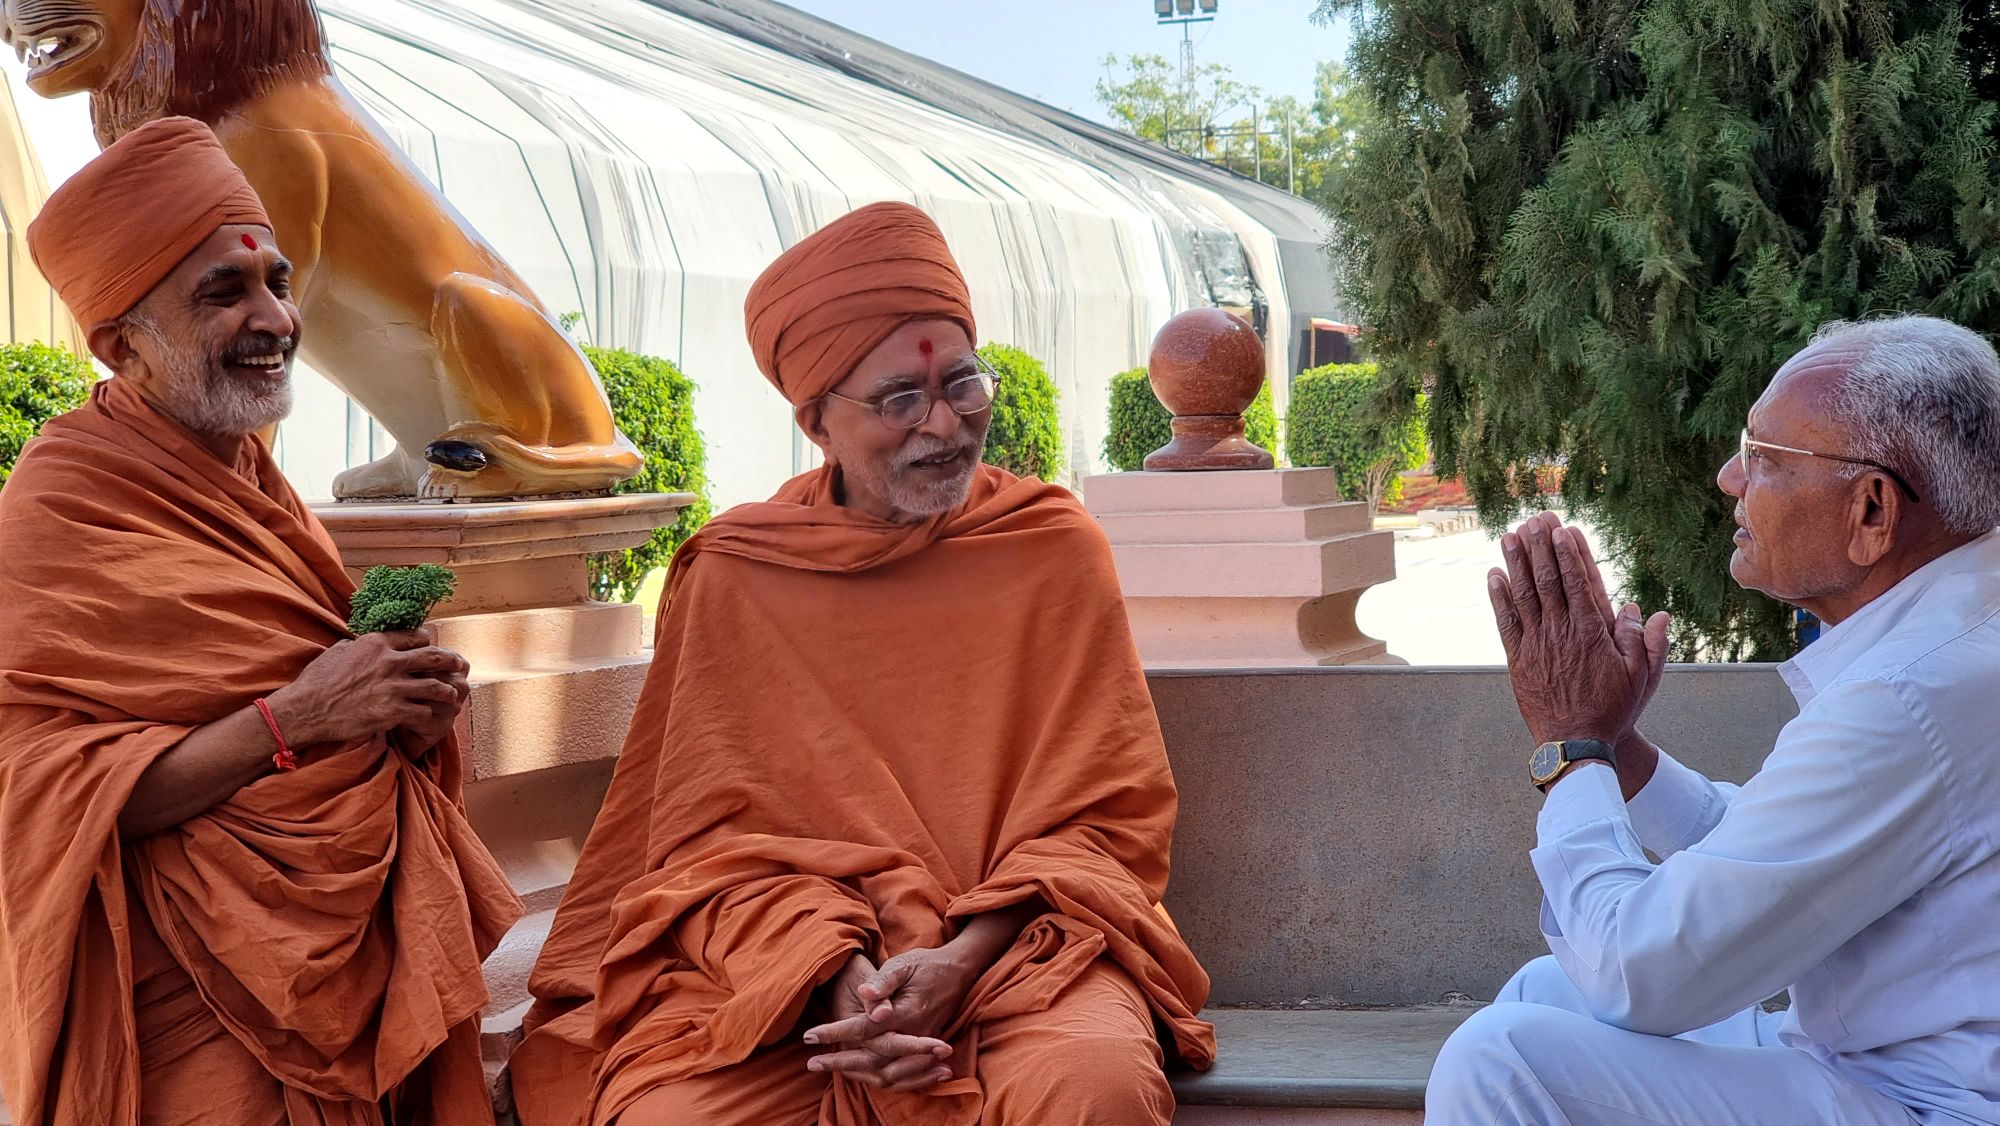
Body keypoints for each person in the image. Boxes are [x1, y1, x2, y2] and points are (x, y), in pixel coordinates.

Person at [508, 201, 1213, 1126]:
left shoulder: (1050, 548)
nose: (945, 426)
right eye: (898, 400)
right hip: (787, 966)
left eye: (964, 385)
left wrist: (959, 963)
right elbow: (704, 849)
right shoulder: (740, 575)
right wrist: (837, 979)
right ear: (815, 422)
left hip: (1023, 952)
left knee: (1093, 1091)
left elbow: (1104, 820)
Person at [0, 116, 522, 1125]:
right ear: (121, 346)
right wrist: (302, 719)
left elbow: (302, 696)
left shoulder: (256, 483)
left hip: (334, 953)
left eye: (278, 282)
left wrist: (399, 715)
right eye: (223, 292)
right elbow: (40, 794)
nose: (274, 317)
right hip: (180, 986)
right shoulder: (59, 506)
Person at [1427, 315, 2000, 1124]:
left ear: (1872, 511)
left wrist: (1571, 749)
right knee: (1544, 993)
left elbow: (1643, 976)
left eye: (1766, 458)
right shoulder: (1956, 628)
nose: (1731, 476)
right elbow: (1782, 846)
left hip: (1929, 1104)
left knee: (1502, 1061)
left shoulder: (1909, 693)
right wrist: (1622, 753)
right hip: (1864, 1059)